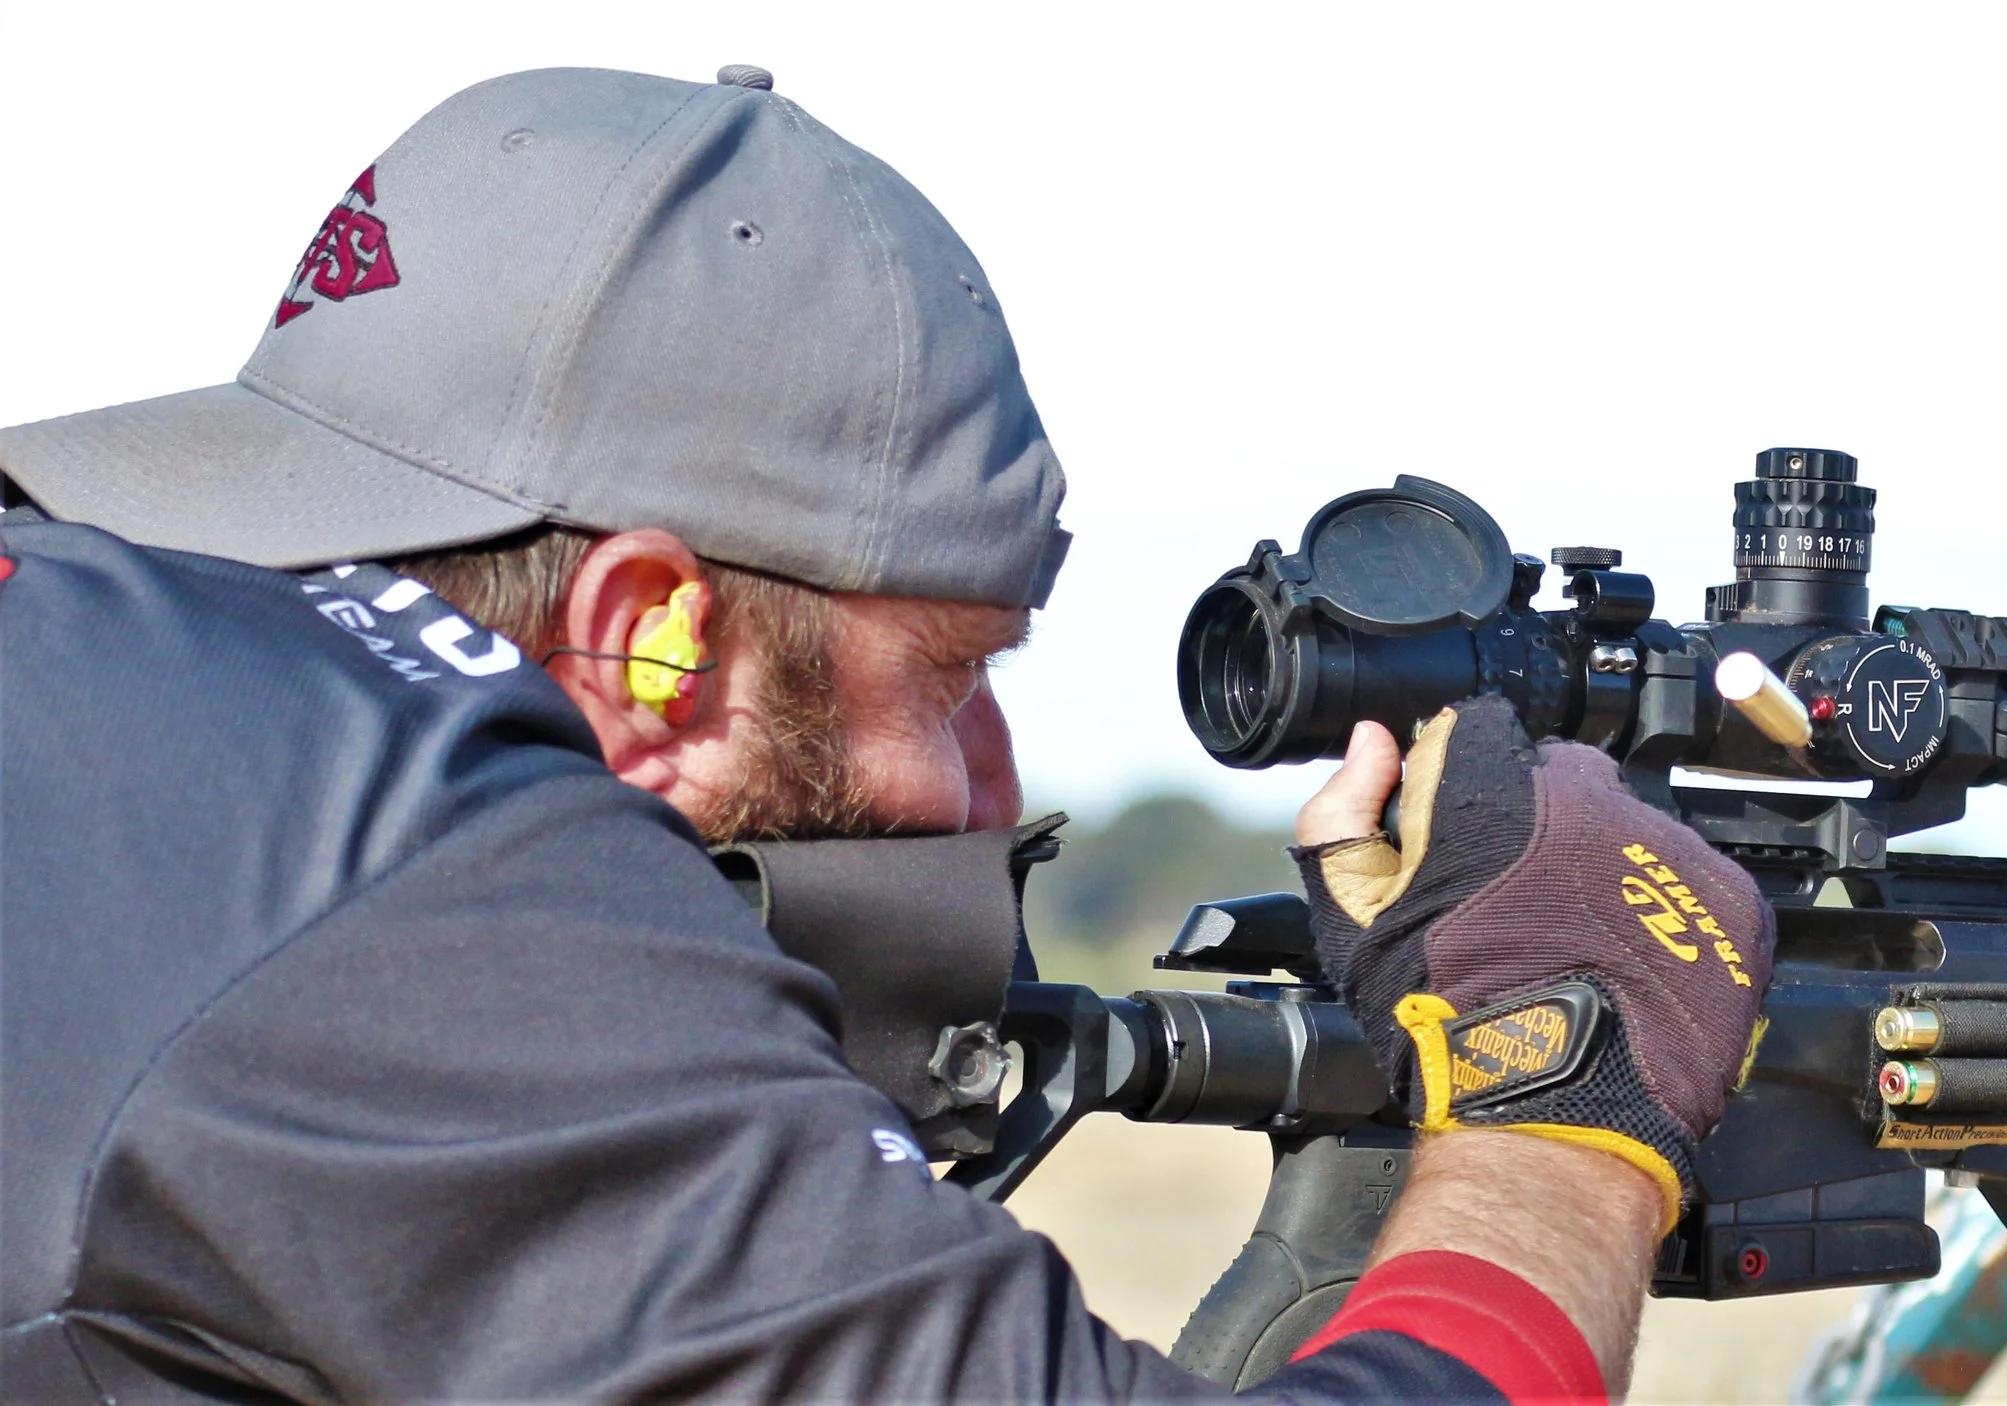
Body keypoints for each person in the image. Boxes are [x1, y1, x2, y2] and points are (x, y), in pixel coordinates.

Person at [0, 64, 1771, 1402]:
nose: (990, 785)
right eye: (952, 677)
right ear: (645, 646)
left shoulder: (127, 687)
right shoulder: (393, 870)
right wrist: (1566, 1085)